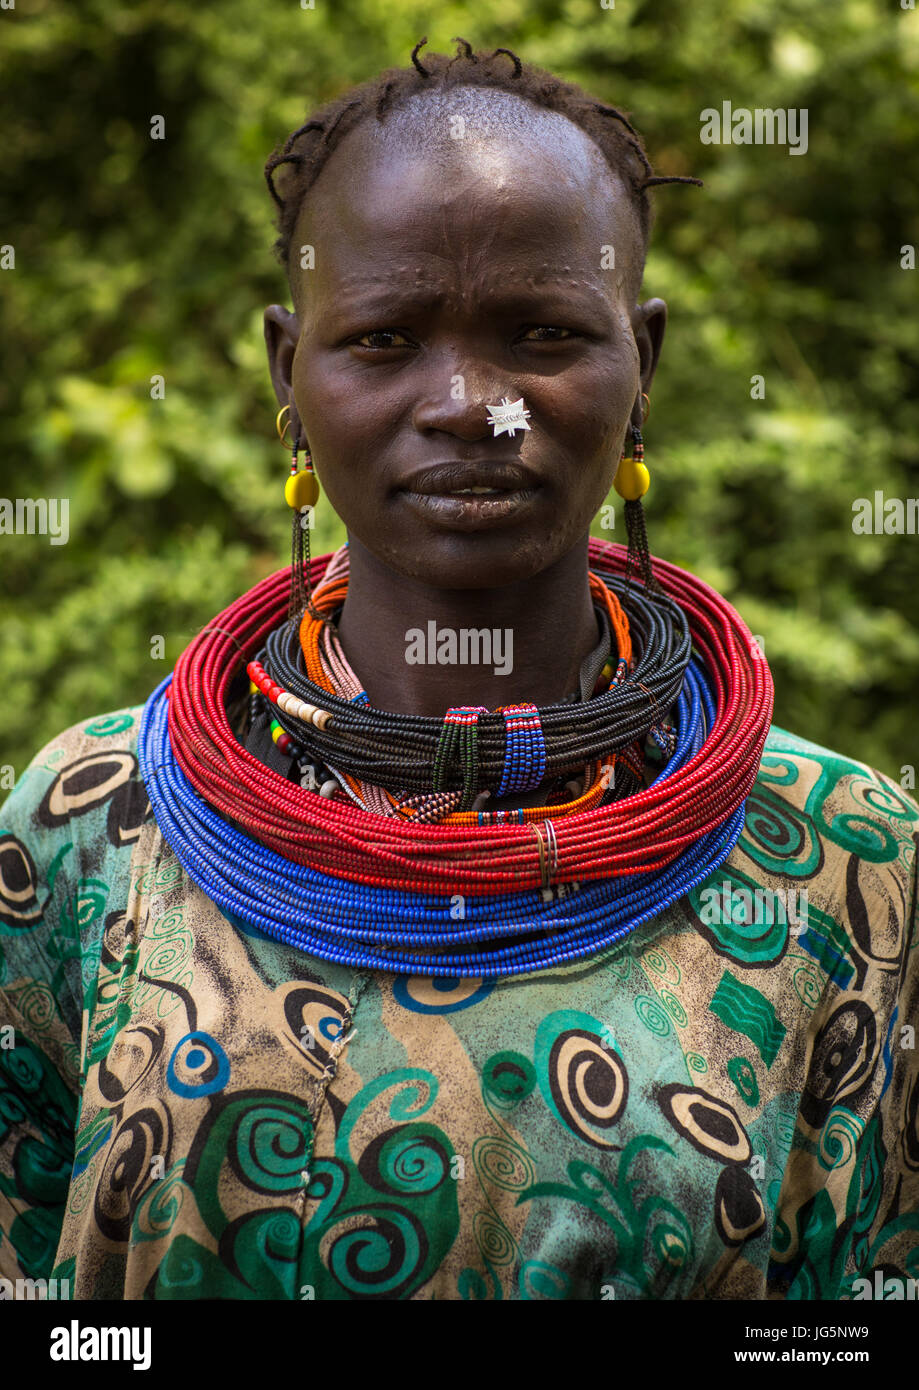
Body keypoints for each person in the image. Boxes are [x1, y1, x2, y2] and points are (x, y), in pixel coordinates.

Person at [1, 40, 917, 1303]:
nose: (472, 403)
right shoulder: (84, 825)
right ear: (287, 372)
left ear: (640, 363)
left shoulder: (846, 865)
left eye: (542, 332)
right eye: (383, 339)